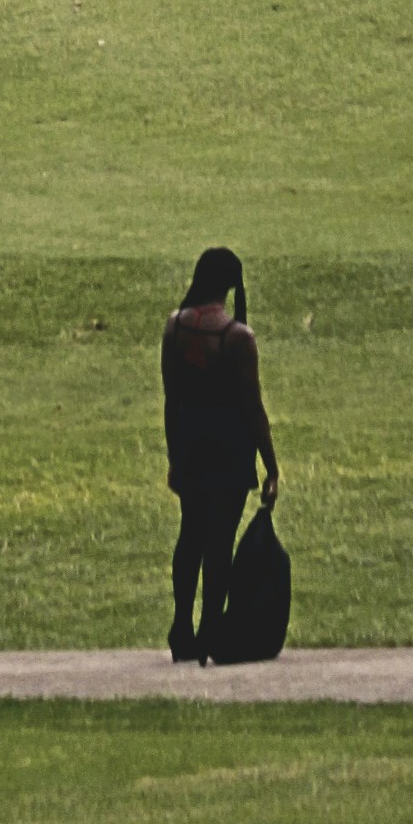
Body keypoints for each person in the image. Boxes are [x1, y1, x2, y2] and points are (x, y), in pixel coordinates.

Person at [159, 245, 278, 661]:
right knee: (219, 540)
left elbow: (171, 400)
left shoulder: (175, 328)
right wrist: (271, 463)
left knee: (190, 533)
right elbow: (253, 407)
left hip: (190, 442)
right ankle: (211, 626)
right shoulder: (237, 337)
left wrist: (175, 455)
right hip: (229, 447)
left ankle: (181, 627)